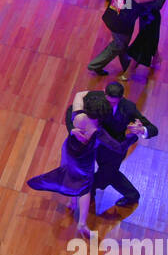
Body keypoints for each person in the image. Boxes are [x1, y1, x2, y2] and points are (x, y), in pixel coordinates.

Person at [28, 92, 143, 238]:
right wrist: (133, 135)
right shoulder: (99, 132)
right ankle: (82, 222)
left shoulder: (78, 117)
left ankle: (72, 202)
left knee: (68, 173)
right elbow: (119, 147)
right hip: (84, 161)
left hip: (69, 152)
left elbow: (79, 95)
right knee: (85, 187)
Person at [66, 82, 156, 210]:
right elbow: (71, 110)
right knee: (109, 174)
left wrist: (141, 130)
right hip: (97, 147)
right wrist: (72, 129)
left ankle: (92, 191)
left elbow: (153, 129)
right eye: (108, 101)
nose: (110, 105)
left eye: (114, 103)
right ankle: (126, 194)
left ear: (122, 97)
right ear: (104, 92)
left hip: (115, 150)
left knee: (104, 177)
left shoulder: (129, 107)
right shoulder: (96, 98)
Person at [122, 0, 166, 79]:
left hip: (151, 21)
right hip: (145, 17)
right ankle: (156, 58)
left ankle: (129, 72)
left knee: (140, 44)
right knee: (150, 41)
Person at [88, 0, 137, 75]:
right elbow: (127, 7)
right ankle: (95, 65)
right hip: (120, 24)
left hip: (112, 16)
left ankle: (126, 66)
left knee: (121, 45)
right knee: (119, 45)